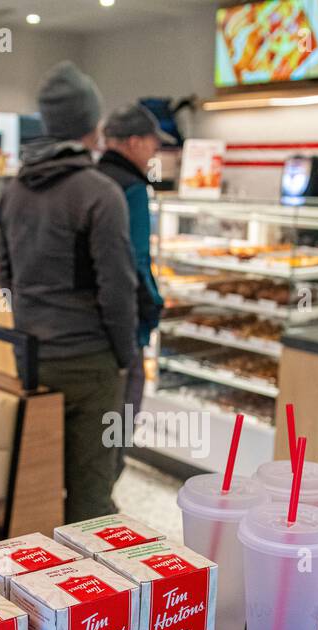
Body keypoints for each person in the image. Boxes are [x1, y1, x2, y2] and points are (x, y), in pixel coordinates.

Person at [0, 62, 137, 522]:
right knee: (91, 497)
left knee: (36, 492)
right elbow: (118, 289)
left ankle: (41, 585)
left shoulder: (13, 191)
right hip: (88, 362)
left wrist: (27, 341)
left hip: (32, 360)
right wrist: (122, 356)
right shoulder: (100, 193)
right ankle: (89, 588)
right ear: (92, 125)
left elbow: (7, 280)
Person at [97, 104, 173, 467]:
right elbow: (137, 263)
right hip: (125, 332)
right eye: (153, 144)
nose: (155, 152)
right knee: (120, 429)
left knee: (97, 437)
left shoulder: (92, 181)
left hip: (92, 333)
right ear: (133, 142)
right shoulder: (132, 189)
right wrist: (153, 308)